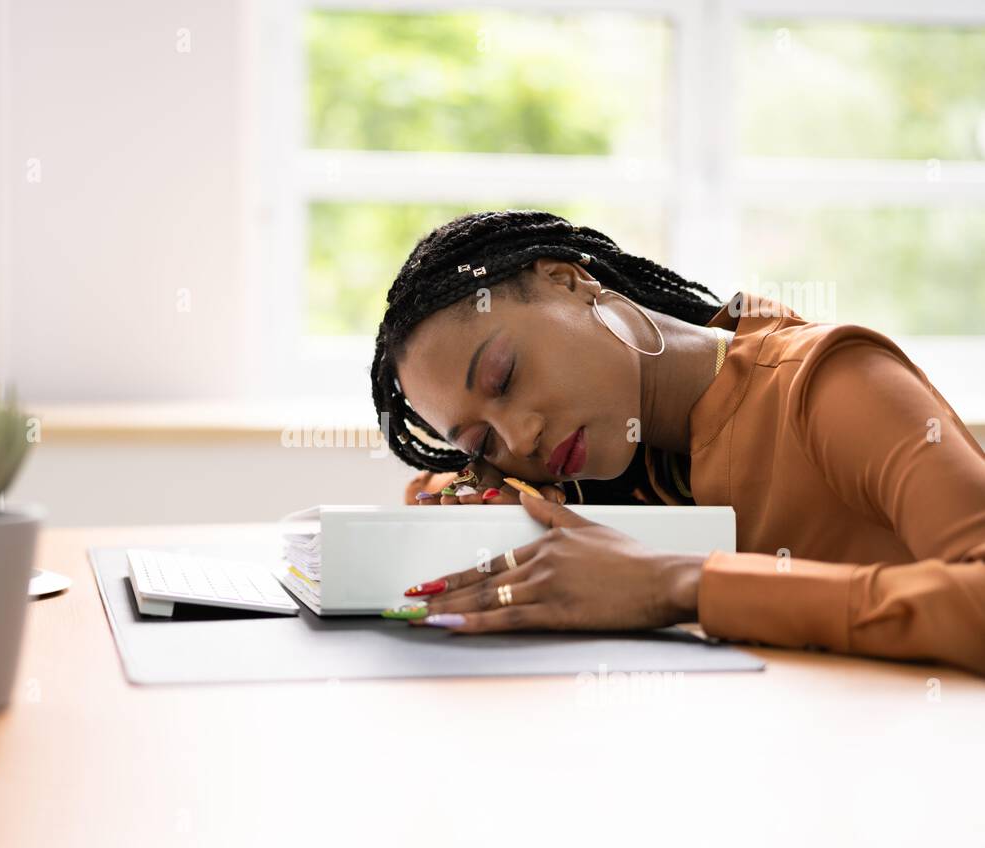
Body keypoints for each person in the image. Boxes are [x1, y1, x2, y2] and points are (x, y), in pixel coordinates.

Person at [371, 209, 985, 675]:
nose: (521, 436)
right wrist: (487, 508)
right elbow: (436, 493)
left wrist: (676, 584)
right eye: (480, 439)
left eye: (504, 377)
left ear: (566, 281)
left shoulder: (831, 382)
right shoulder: (615, 463)